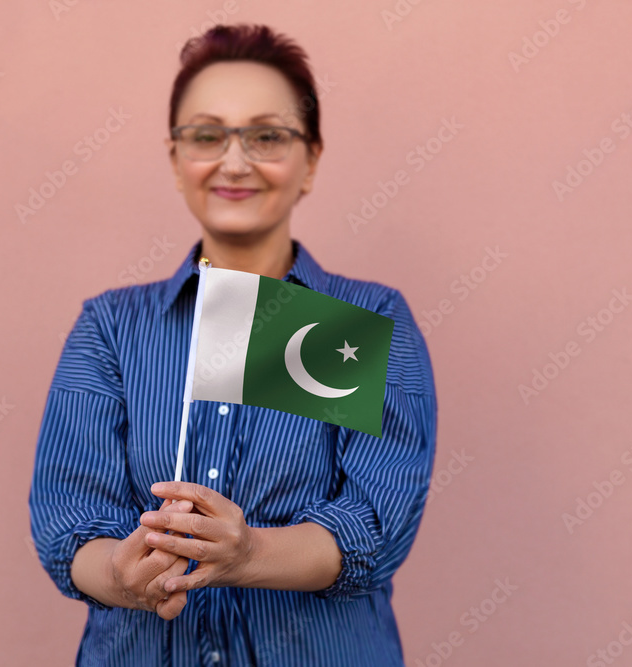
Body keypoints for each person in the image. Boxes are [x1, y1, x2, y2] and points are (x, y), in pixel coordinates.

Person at [28, 23, 437, 666]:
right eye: (207, 135)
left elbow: (373, 527)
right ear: (175, 159)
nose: (235, 161)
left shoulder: (362, 319)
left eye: (267, 135)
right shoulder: (112, 326)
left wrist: (247, 554)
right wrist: (119, 574)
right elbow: (68, 516)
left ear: (311, 160)